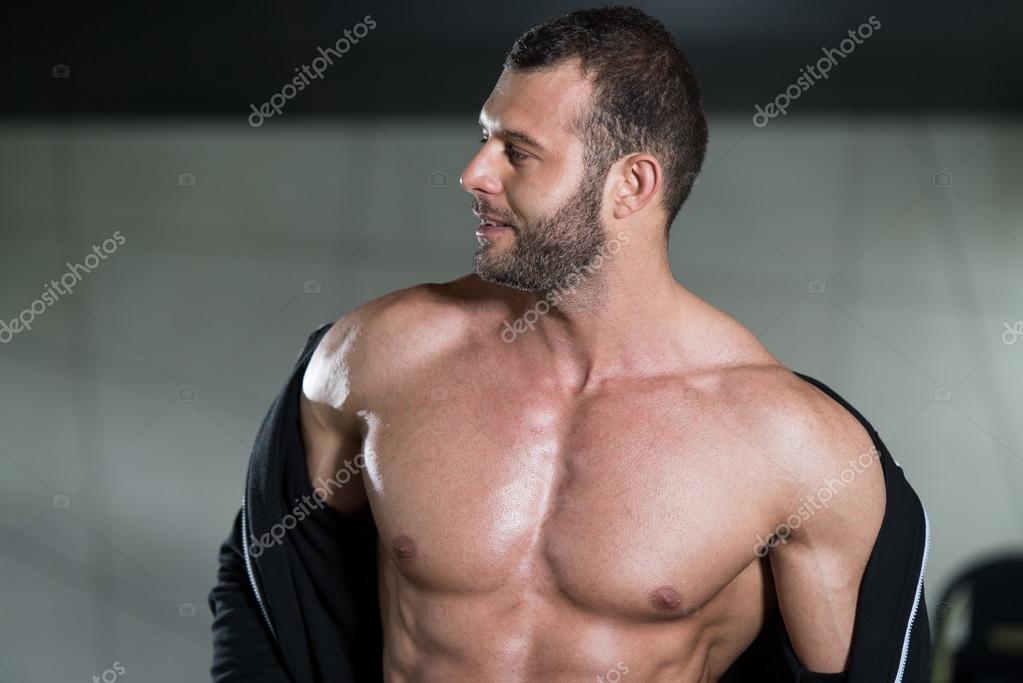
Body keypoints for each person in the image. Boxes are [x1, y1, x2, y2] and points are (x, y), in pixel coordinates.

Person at [210, 6, 931, 681]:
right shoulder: (379, 356)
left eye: (517, 152)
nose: (473, 173)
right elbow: (262, 579)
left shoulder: (794, 446)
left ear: (631, 185)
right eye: (484, 137)